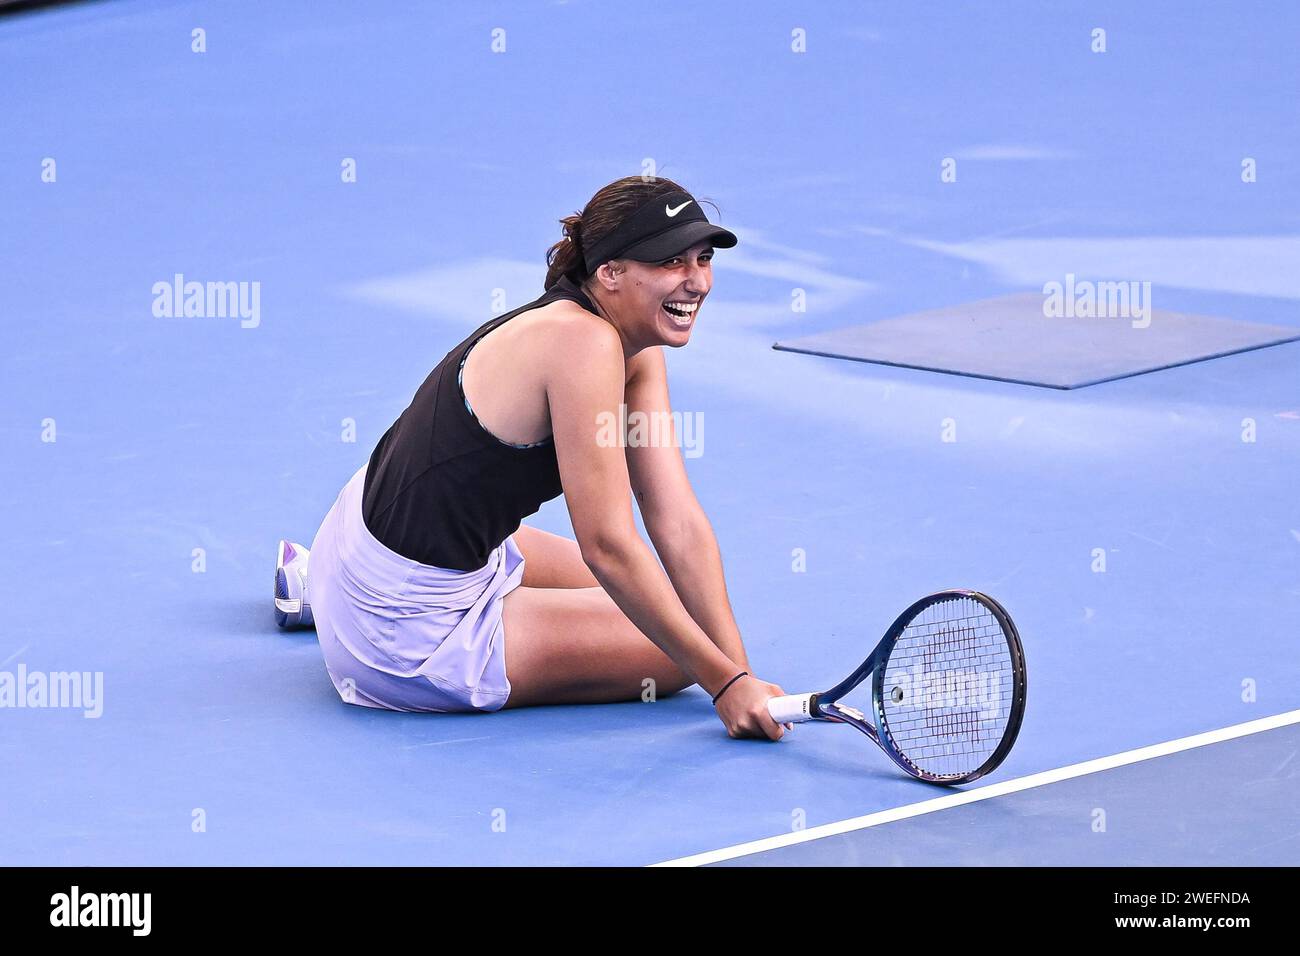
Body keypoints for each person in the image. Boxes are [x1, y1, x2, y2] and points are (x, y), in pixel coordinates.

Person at [275, 176, 789, 740]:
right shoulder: (583, 345)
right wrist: (723, 681)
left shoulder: (627, 347)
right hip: (404, 627)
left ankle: (313, 587)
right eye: (671, 262)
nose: (697, 282)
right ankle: (338, 611)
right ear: (610, 273)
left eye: (704, 258)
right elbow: (609, 545)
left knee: (692, 626)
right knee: (679, 653)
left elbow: (677, 519)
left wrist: (741, 673)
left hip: (355, 541)